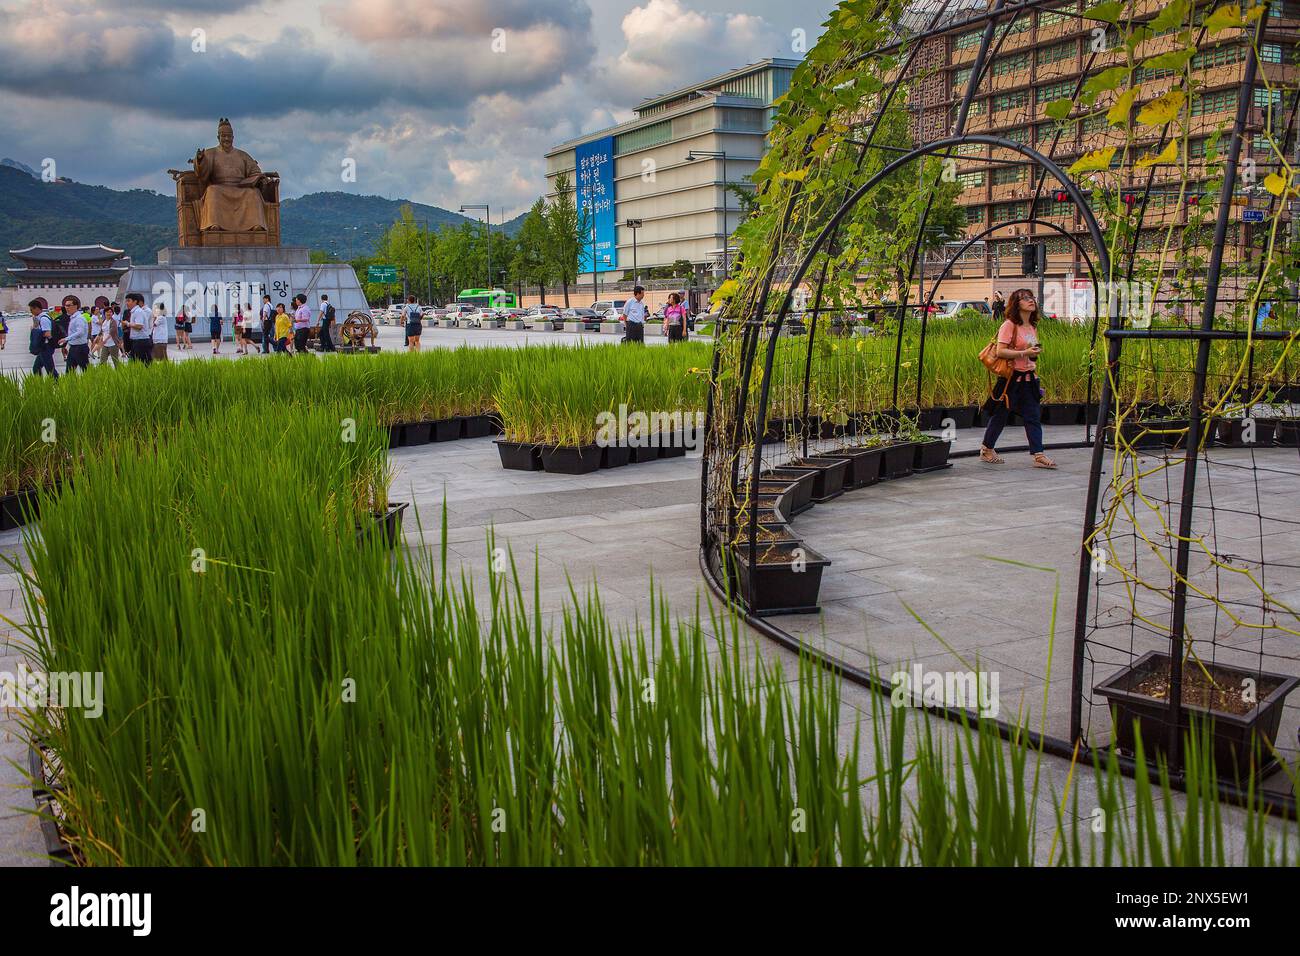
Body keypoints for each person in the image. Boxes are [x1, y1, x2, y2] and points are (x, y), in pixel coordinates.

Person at [980, 288, 1055, 469]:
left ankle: (1038, 455)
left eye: (1032, 298)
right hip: (1011, 379)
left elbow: (1030, 352)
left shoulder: (1032, 326)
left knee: (1033, 416)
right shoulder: (1009, 325)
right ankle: (987, 449)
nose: (1031, 301)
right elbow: (1000, 351)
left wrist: (1033, 354)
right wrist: (1025, 352)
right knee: (1000, 415)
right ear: (1016, 303)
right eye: (1025, 298)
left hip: (1029, 378)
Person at [28, 298, 57, 377]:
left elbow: (47, 333)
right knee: (36, 368)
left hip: (46, 347)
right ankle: (40, 385)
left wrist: (36, 333)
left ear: (36, 308)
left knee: (50, 369)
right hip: (44, 347)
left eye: (31, 310)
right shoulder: (40, 318)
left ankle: (57, 385)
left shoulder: (43, 319)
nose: (31, 312)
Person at [62, 302, 91, 372]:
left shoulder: (79, 318)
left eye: (69, 305)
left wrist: (66, 339)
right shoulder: (73, 318)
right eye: (65, 306)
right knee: (69, 372)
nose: (66, 308)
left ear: (75, 306)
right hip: (73, 348)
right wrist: (67, 345)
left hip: (80, 348)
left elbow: (80, 332)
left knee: (86, 371)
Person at [125, 293, 153, 364]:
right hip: (137, 341)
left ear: (135, 301)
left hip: (141, 341)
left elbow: (139, 326)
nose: (127, 303)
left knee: (144, 364)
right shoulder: (135, 312)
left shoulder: (138, 312)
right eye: (126, 301)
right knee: (135, 363)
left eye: (129, 301)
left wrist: (128, 324)